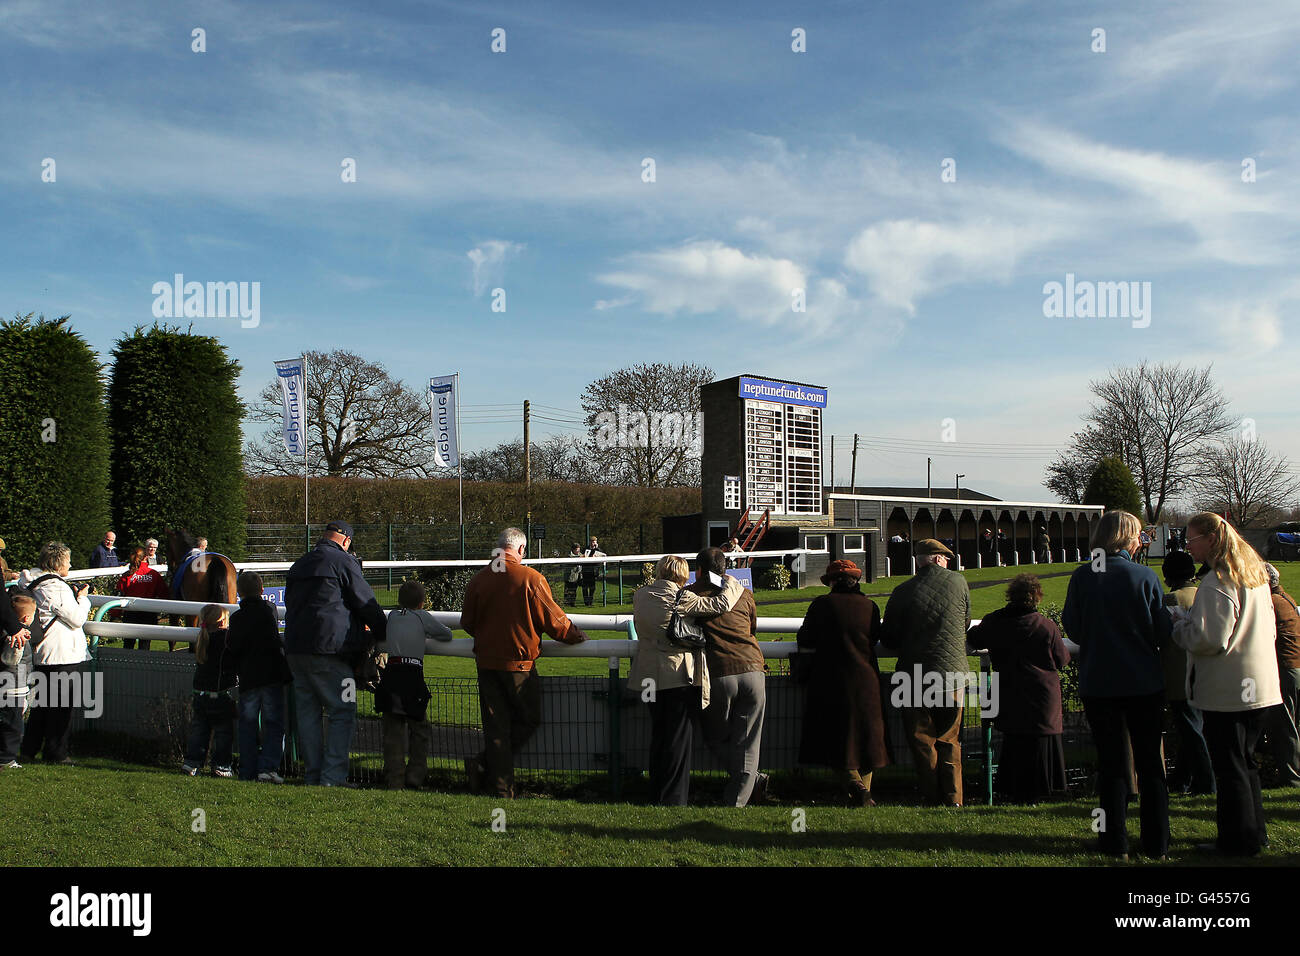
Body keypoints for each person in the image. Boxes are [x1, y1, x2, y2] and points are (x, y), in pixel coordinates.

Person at [1062, 510, 1171, 860]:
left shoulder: (1083, 577)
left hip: (1100, 682)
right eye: (1139, 534)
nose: (1142, 540)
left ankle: (1113, 840)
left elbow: (1074, 629)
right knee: (1151, 765)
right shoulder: (1144, 576)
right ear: (1127, 537)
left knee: (1111, 765)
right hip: (1143, 681)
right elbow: (1162, 631)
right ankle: (1157, 843)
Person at [1172, 513, 1281, 856]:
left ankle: (1236, 840)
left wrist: (1179, 626)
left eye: (1191, 540)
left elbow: (1211, 638)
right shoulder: (1252, 576)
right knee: (1245, 763)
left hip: (1228, 688)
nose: (1187, 547)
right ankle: (1254, 834)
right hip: (1259, 683)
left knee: (1230, 767)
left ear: (1210, 540)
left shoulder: (1218, 582)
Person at [460, 527, 589, 798]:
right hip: (520, 666)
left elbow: (467, 623)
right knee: (528, 721)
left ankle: (498, 785)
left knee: (496, 729)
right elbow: (556, 623)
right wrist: (576, 636)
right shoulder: (531, 578)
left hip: (486, 663)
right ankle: (488, 771)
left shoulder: (479, 580)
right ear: (520, 550)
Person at [628, 554, 747, 805]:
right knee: (678, 740)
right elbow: (721, 604)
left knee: (659, 735)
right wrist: (734, 582)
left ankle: (656, 792)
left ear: (660, 571)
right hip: (677, 676)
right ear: (684, 575)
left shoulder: (640, 595)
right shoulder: (682, 598)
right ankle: (673, 798)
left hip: (647, 675)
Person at [284, 519, 387, 787]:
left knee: (307, 715)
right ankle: (332, 777)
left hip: (296, 651)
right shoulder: (344, 561)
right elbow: (366, 602)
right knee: (343, 711)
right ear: (346, 541)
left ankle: (314, 775)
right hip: (331, 651)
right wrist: (383, 630)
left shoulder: (300, 564)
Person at [879, 538, 971, 807]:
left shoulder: (902, 590)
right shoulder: (959, 583)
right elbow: (965, 621)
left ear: (919, 560)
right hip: (952, 673)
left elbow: (889, 639)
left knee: (922, 740)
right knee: (950, 738)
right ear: (939, 559)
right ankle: (954, 798)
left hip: (913, 673)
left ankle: (931, 796)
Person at [967, 574, 1069, 804]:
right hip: (1042, 697)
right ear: (1036, 597)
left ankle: (1014, 792)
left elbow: (975, 637)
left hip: (1010, 693)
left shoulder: (996, 621)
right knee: (1039, 747)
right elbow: (1062, 659)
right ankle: (1042, 792)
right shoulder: (1047, 626)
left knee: (1014, 744)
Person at [796, 558, 889, 806]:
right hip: (867, 681)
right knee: (867, 742)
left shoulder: (822, 605)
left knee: (834, 741)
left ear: (833, 582)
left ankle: (855, 787)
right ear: (856, 580)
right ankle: (861, 793)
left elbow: (805, 638)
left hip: (831, 681)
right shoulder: (871, 607)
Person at [686, 547, 768, 806]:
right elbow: (753, 627)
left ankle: (737, 799)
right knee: (747, 741)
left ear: (698, 570)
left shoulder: (691, 595)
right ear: (725, 570)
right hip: (753, 669)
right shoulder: (744, 594)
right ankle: (751, 781)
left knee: (713, 736)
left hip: (718, 673)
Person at [18, 542, 92, 766]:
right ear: (59, 562)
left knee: (41, 706)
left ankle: (29, 750)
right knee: (60, 708)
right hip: (61, 654)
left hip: (44, 653)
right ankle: (56, 752)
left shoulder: (32, 580)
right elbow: (76, 618)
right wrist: (83, 599)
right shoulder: (56, 587)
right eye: (68, 560)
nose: (70, 564)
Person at [375, 579, 453, 790]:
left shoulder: (392, 616)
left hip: (391, 675)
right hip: (412, 676)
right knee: (420, 730)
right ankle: (415, 776)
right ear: (421, 603)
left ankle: (394, 780)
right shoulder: (422, 616)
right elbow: (446, 634)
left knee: (393, 732)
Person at [227, 571, 292, 783]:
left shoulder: (236, 618)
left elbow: (233, 648)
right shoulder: (269, 610)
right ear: (262, 590)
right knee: (273, 723)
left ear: (239, 592)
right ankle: (268, 767)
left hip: (248, 677)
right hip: (271, 675)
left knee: (247, 724)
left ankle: (247, 770)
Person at [1160, 550, 1215, 796]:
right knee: (1193, 731)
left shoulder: (1169, 600)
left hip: (1179, 674)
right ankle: (1181, 779)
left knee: (1191, 731)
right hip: (1208, 673)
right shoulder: (1205, 594)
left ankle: (1206, 783)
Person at [182, 604, 237, 777]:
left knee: (199, 731)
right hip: (220, 694)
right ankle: (221, 765)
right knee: (223, 732)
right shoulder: (225, 637)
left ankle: (192, 763)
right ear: (222, 622)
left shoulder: (201, 637)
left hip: (200, 693)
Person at [1262, 562, 1300, 787]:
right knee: (1293, 726)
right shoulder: (1286, 599)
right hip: (1295, 666)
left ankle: (1291, 777)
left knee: (1285, 728)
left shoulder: (1271, 603)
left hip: (1285, 669)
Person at [1, 589, 36, 769]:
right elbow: (10, 660)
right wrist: (18, 647)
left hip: (10, 685)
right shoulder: (16, 636)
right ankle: (7, 758)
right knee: (13, 725)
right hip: (13, 686)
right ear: (25, 619)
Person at [115, 545, 169, 650]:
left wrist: (115, 614)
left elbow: (119, 594)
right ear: (145, 557)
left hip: (130, 615)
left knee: (128, 645)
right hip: (148, 614)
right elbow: (164, 594)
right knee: (145, 646)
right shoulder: (153, 574)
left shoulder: (126, 575)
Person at [581, 537, 606, 606]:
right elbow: (582, 557)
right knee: (585, 587)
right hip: (586, 570)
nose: (593, 543)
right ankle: (586, 602)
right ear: (590, 542)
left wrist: (597, 549)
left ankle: (590, 602)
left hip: (593, 571)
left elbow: (602, 556)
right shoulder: (585, 549)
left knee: (592, 588)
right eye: (592, 542)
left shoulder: (598, 550)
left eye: (594, 542)